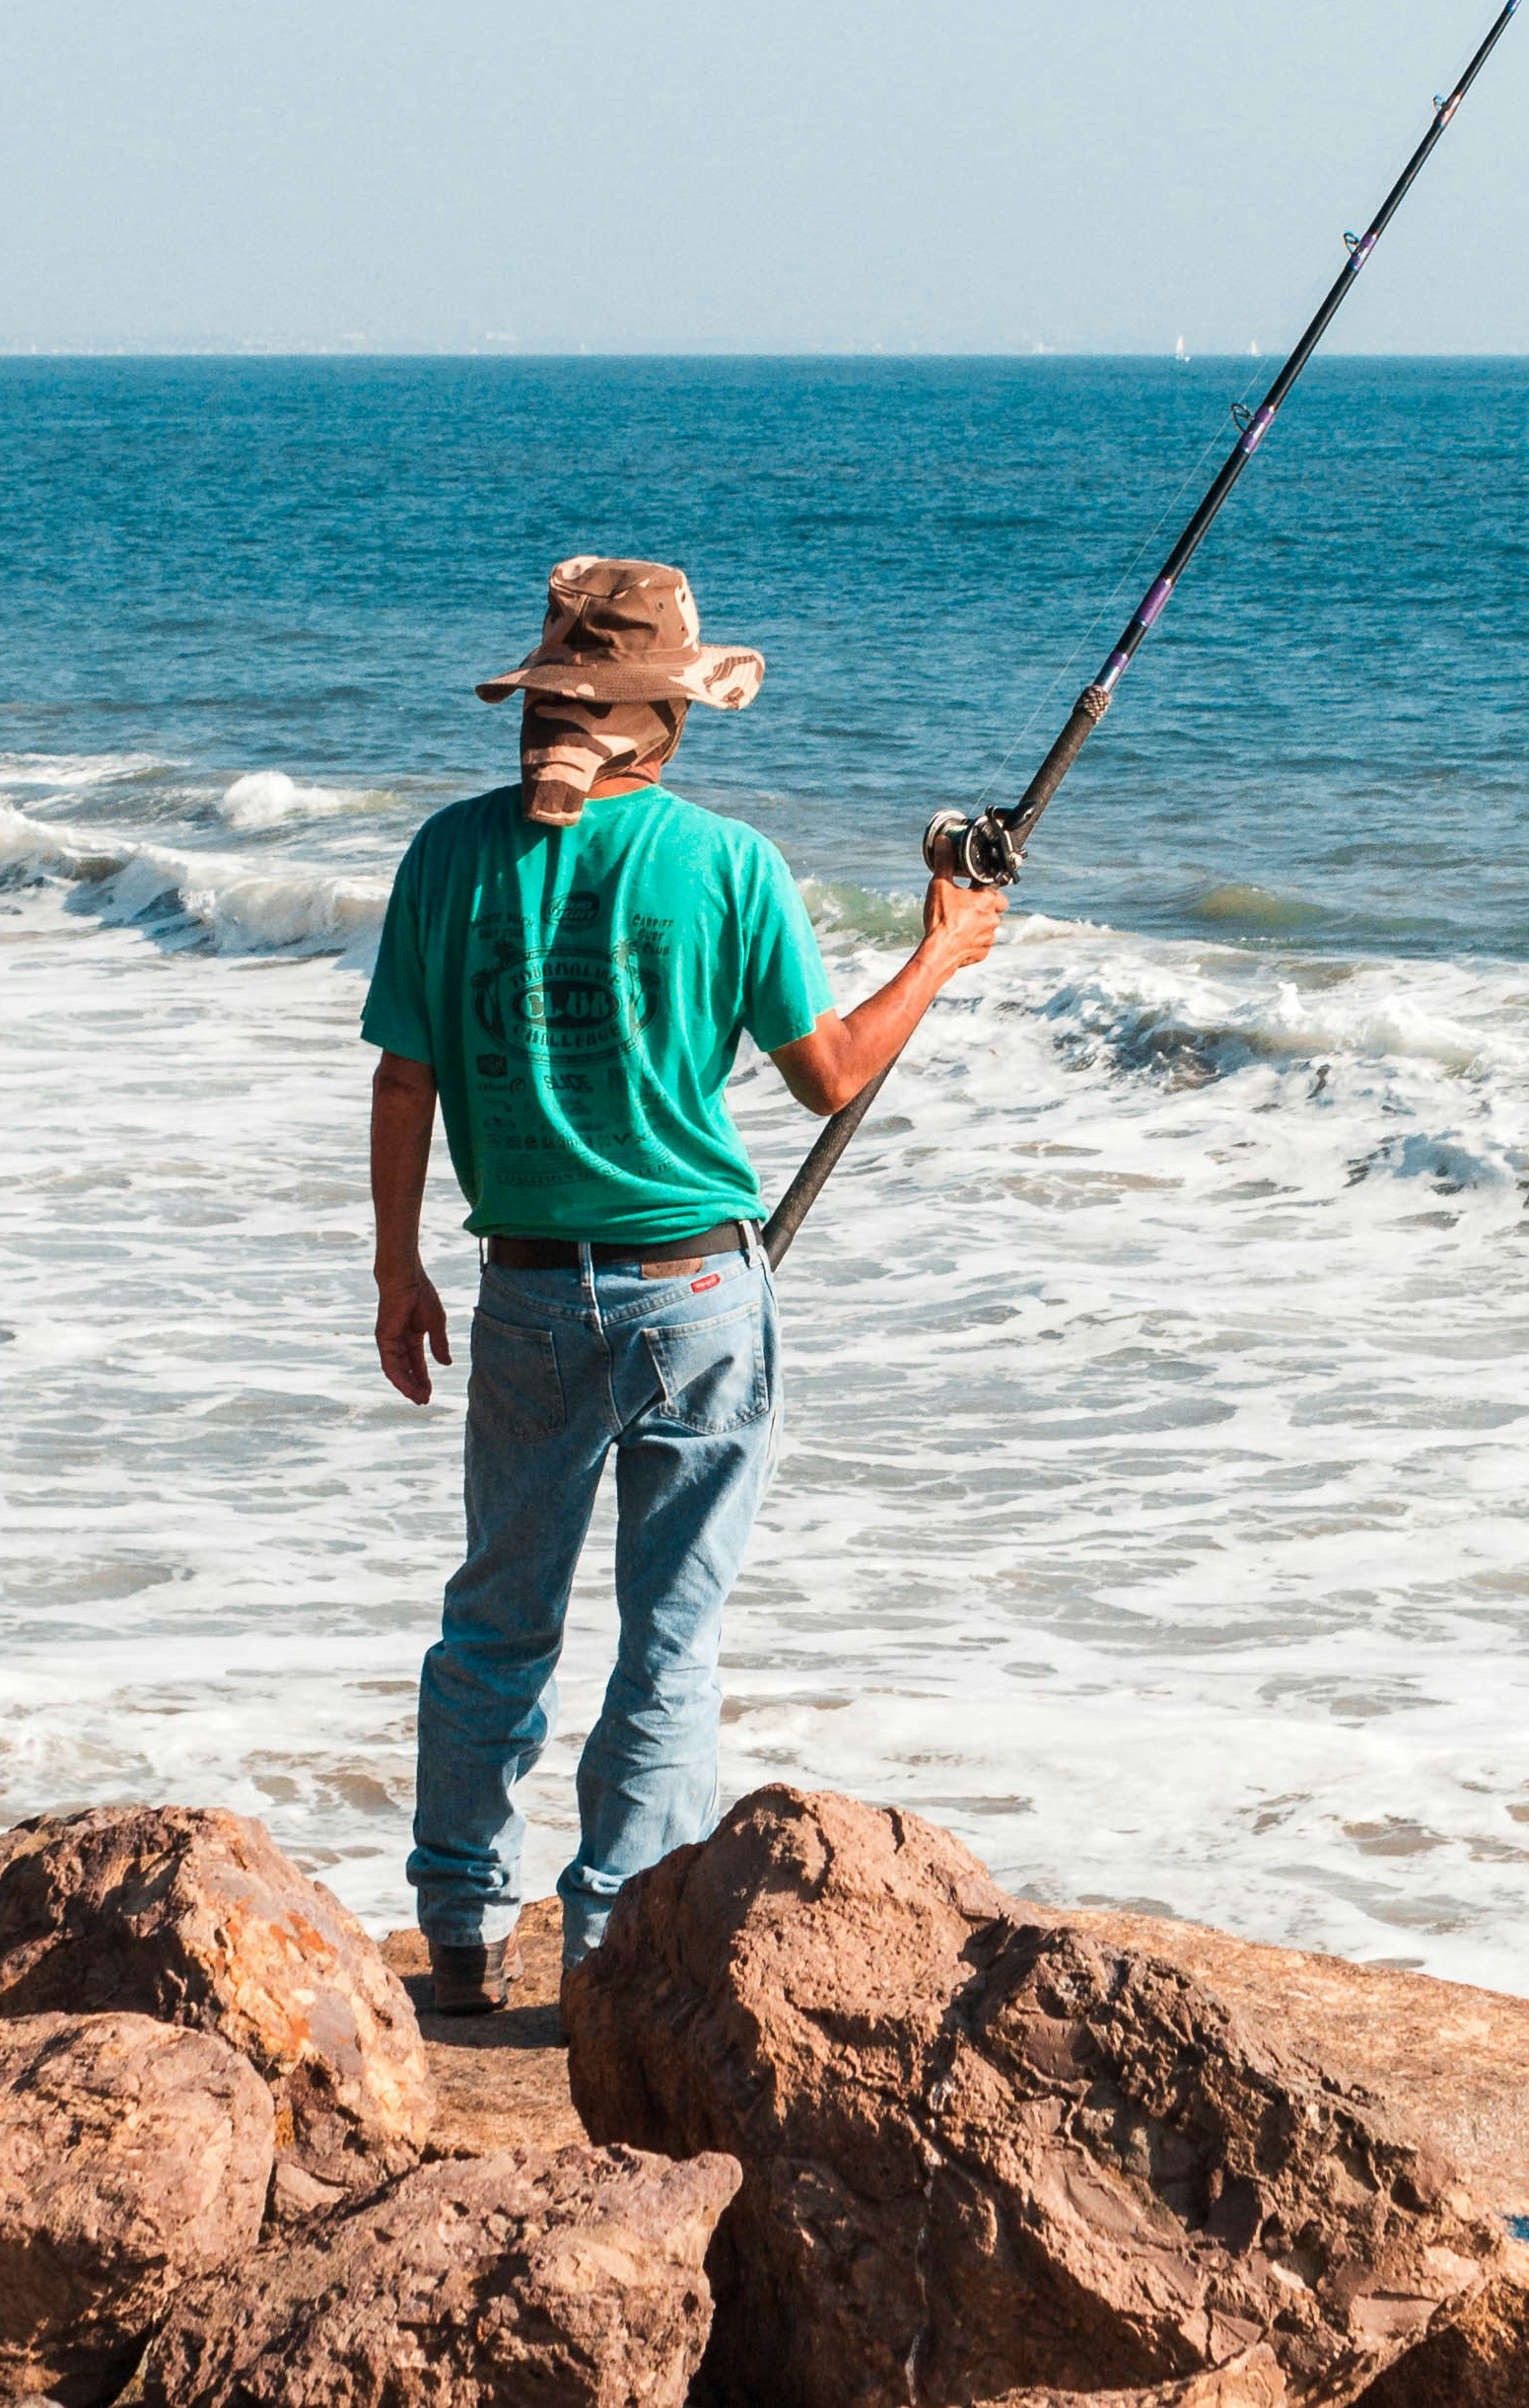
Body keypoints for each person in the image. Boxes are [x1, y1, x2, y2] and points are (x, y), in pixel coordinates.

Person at [361, 552, 1006, 2013]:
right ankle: (607, 1953)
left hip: (522, 1286)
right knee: (669, 1634)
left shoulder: (448, 856)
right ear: (669, 715)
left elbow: (408, 1080)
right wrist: (942, 953)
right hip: (696, 1291)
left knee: (493, 1623)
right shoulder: (723, 863)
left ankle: (457, 1939)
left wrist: (398, 1265)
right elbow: (828, 1070)